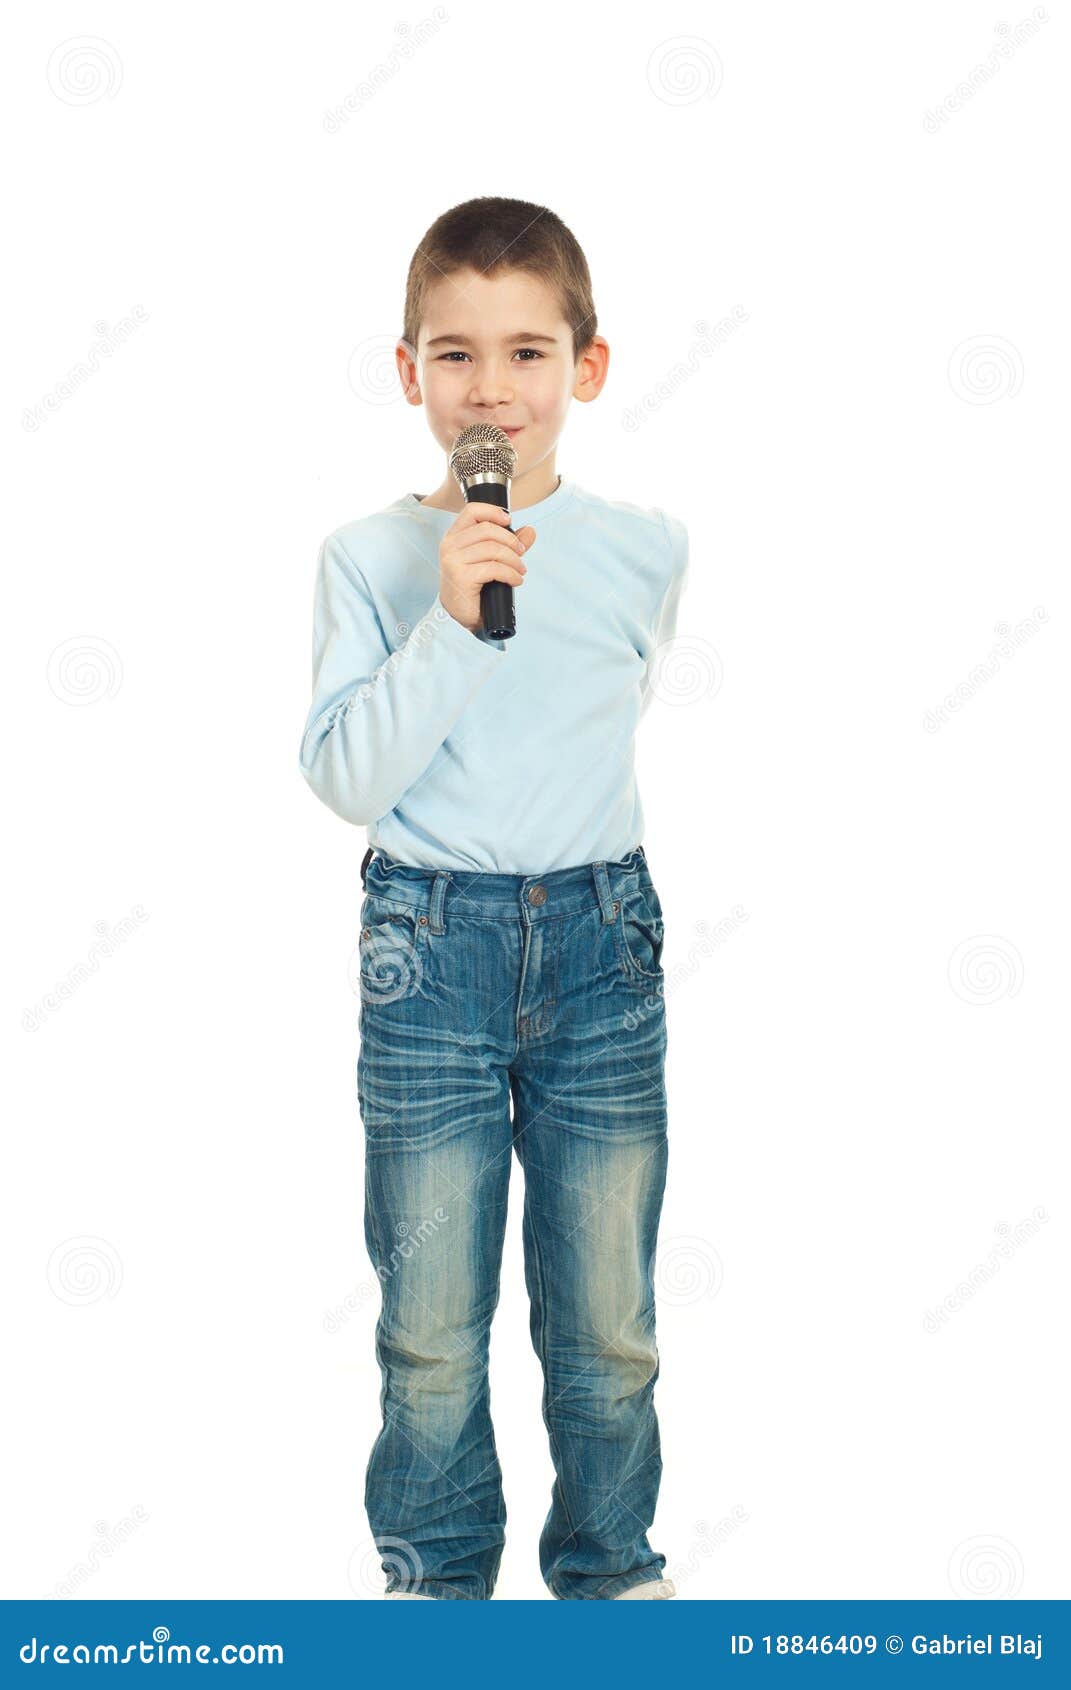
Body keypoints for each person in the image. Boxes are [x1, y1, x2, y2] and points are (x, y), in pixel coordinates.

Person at [299, 197, 689, 1600]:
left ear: (586, 366)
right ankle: (437, 1582)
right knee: (433, 1322)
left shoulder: (647, 544)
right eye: (455, 356)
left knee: (607, 1316)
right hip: (430, 951)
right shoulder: (372, 557)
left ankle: (610, 1570)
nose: (492, 389)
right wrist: (451, 625)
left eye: (528, 352)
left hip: (598, 942)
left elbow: (608, 709)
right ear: (410, 375)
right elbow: (348, 771)